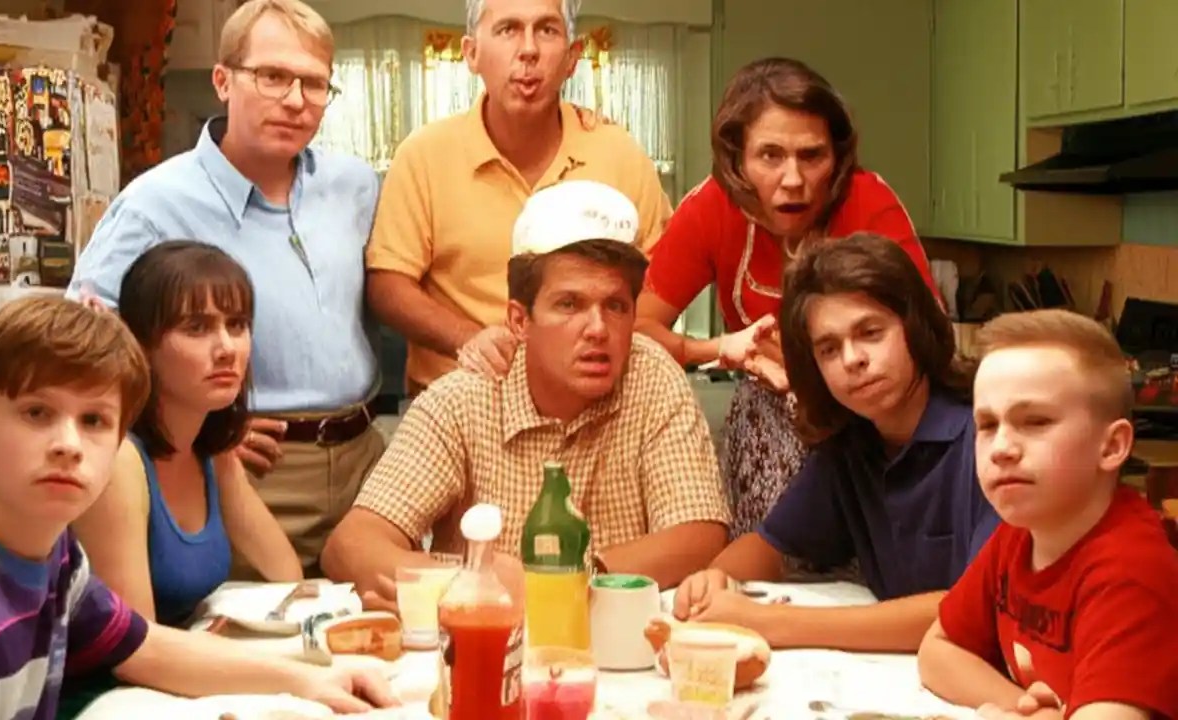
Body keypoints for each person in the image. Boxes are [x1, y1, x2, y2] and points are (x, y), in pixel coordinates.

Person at [460, 57, 938, 546]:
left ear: (837, 157)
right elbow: (635, 326)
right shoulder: (712, 208)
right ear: (736, 160)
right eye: (770, 156)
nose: (793, 179)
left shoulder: (867, 200)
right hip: (775, 414)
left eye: (812, 156)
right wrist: (718, 349)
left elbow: (927, 333)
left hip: (878, 413)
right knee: (774, 528)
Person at [0, 296, 396, 719]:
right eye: (36, 413)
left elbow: (147, 647)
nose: (68, 444)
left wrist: (310, 681)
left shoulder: (54, 552)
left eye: (94, 420)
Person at [66, 0, 384, 576]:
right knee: (255, 641)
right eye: (272, 76)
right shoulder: (155, 203)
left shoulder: (356, 186)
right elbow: (84, 342)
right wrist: (189, 430)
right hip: (252, 470)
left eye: (315, 83)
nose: (295, 99)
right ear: (222, 81)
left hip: (367, 463)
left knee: (372, 643)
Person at [325, 181, 729, 607]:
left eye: (615, 306)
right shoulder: (465, 398)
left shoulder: (651, 376)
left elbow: (699, 535)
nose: (597, 328)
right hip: (488, 643)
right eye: (569, 305)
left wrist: (563, 582)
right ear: (519, 321)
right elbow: (351, 546)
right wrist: (473, 584)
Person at [672, 233, 998, 653]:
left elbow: (968, 611)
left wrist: (775, 622)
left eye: (871, 333)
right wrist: (714, 580)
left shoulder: (987, 437)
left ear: (915, 328)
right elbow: (768, 545)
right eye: (829, 349)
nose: (852, 359)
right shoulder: (852, 445)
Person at [366, 0, 673, 398]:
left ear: (573, 57)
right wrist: (469, 340)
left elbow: (662, 282)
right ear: (471, 54)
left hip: (597, 413)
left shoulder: (620, 154)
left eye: (546, 30)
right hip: (460, 405)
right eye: (508, 29)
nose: (528, 50)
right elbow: (388, 285)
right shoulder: (423, 156)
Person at [918, 309, 1178, 720]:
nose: (1001, 447)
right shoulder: (1021, 533)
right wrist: (1021, 709)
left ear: (1111, 447)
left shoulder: (1133, 571)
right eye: (987, 424)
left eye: (1035, 421)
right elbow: (937, 651)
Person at [73, 242, 301, 626]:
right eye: (197, 328)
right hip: (115, 682)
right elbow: (136, 646)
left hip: (178, 672)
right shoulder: (120, 459)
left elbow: (285, 574)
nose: (227, 348)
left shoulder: (208, 450)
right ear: (141, 347)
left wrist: (226, 462)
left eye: (237, 325)